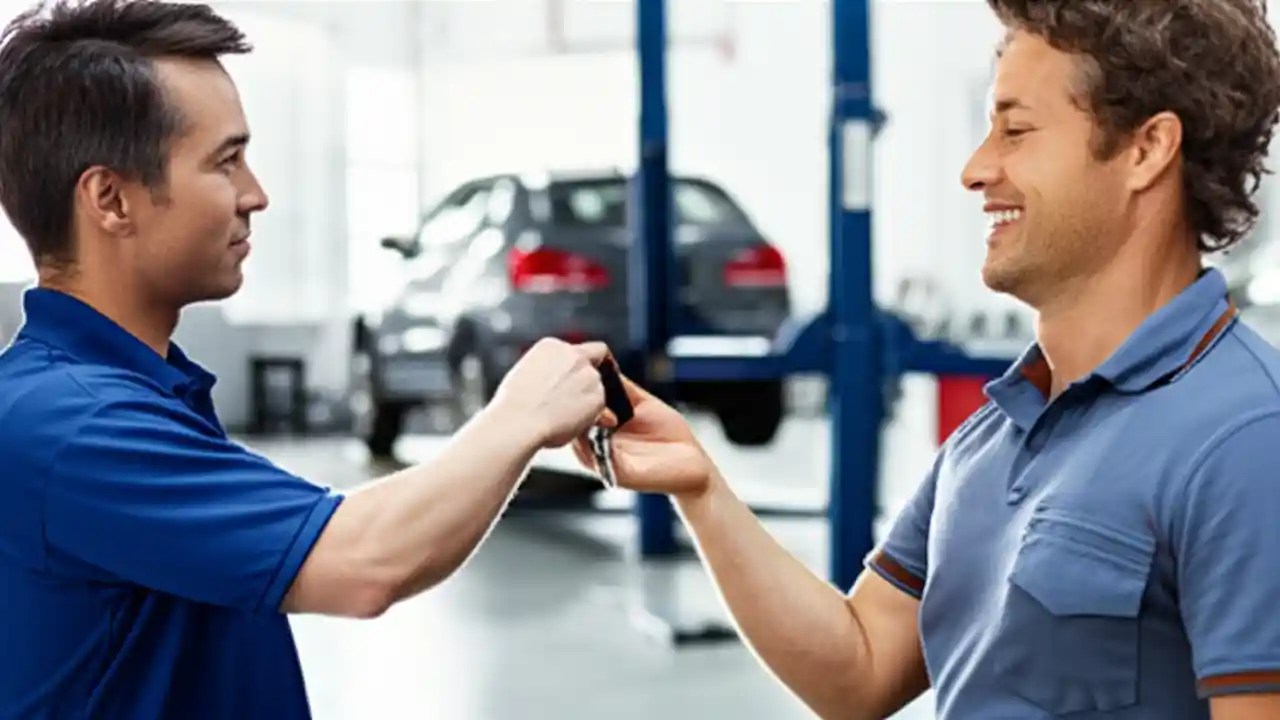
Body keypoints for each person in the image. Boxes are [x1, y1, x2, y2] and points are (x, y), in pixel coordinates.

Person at [580, 1, 1280, 719]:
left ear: (1146, 149)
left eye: (1016, 130)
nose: (977, 169)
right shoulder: (1000, 430)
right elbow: (860, 668)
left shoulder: (1248, 439)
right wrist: (701, 488)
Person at [0, 1, 613, 717]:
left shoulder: (120, 397)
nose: (254, 195)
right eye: (225, 162)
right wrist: (520, 416)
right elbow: (368, 561)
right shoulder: (72, 424)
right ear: (110, 199)